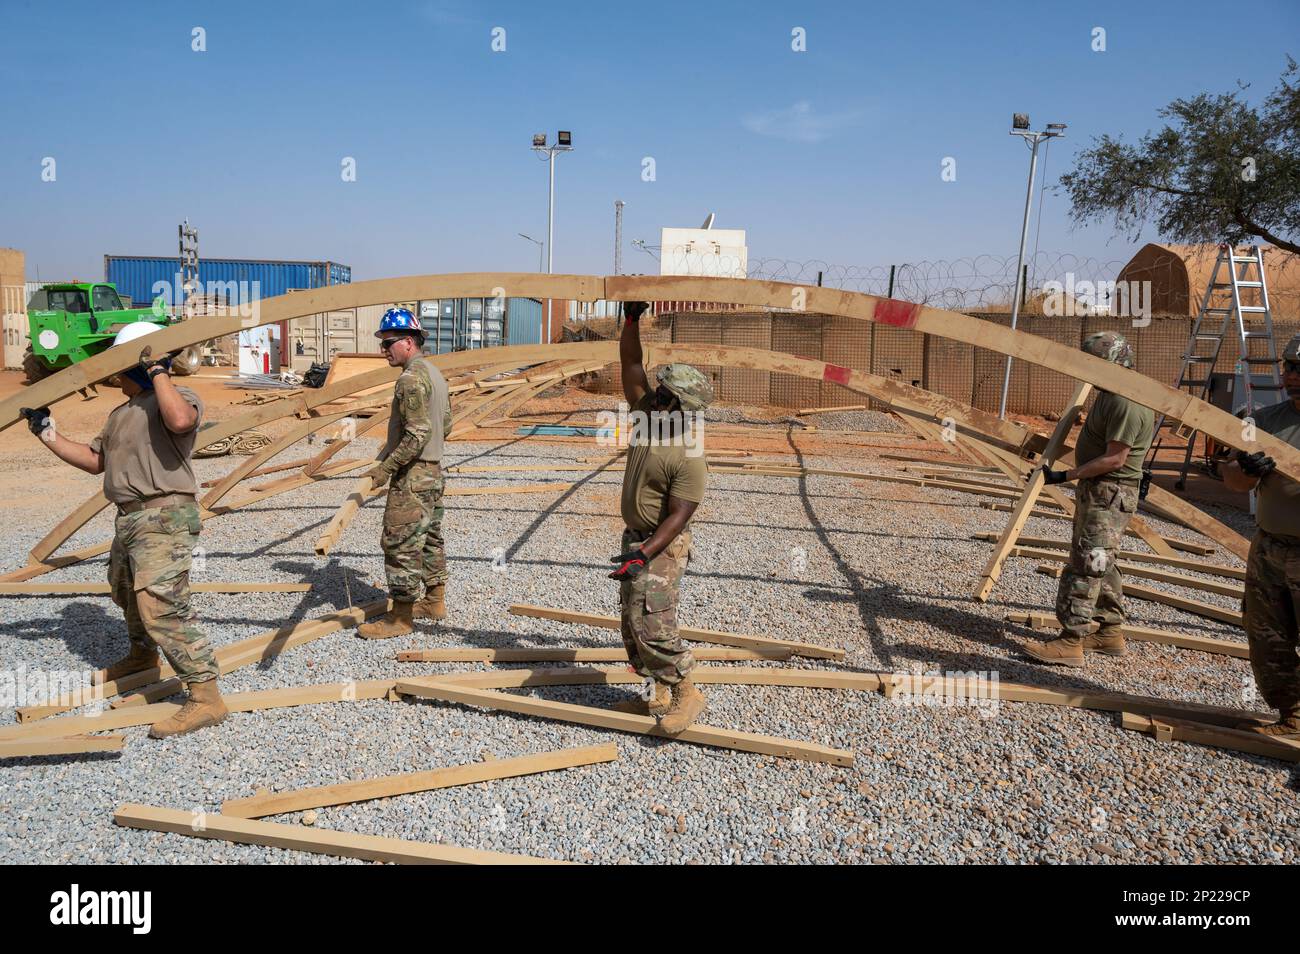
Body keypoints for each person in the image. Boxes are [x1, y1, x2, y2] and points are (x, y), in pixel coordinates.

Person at [24, 322, 225, 737]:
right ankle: (141, 657)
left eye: (122, 363)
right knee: (124, 589)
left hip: (164, 514)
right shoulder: (121, 414)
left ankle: (206, 695)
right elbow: (95, 461)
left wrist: (158, 372)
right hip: (131, 517)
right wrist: (48, 434)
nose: (115, 375)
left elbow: (182, 422)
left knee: (159, 603)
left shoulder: (175, 397)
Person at [608, 300, 713, 731]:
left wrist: (645, 552)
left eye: (665, 394)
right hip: (636, 539)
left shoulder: (689, 455)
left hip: (661, 545)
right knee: (631, 622)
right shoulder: (647, 418)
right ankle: (660, 694)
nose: (655, 395)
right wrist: (632, 321)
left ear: (681, 407)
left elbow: (680, 514)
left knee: (653, 621)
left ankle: (687, 692)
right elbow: (631, 362)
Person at [1022, 331, 1154, 667]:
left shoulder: (1127, 400)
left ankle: (1071, 641)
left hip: (1109, 492)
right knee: (1101, 560)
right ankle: (1109, 632)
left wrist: (1064, 476)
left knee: (1087, 563)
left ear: (1114, 364)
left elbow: (1115, 459)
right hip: (1102, 492)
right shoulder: (1113, 394)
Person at [1222, 333, 1300, 738]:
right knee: (1267, 635)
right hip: (1269, 546)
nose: (1292, 376)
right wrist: (1245, 470)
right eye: (1289, 368)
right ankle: (1293, 716)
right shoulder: (1263, 423)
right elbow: (1231, 478)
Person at [357, 307, 452, 639]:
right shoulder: (435, 374)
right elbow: (446, 425)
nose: (384, 351)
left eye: (389, 343)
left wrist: (386, 468)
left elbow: (416, 434)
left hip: (413, 475)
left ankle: (400, 617)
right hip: (434, 471)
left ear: (409, 342)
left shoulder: (410, 379)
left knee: (400, 542)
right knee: (430, 538)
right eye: (383, 343)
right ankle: (435, 601)